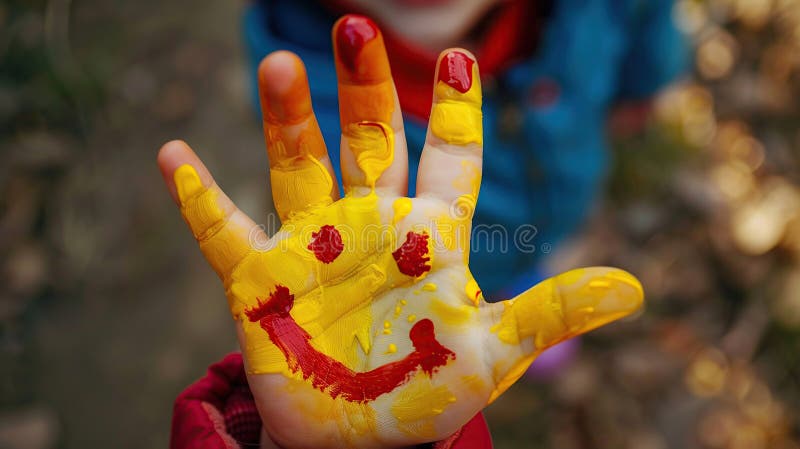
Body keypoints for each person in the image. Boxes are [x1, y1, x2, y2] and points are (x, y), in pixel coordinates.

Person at [165, 0, 684, 446]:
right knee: (450, 287)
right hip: (436, 274)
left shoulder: (595, 10)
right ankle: (494, 315)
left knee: (546, 258)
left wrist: (645, 84)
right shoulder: (319, 105)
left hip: (560, 209)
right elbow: (345, 288)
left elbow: (647, 29)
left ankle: (525, 290)